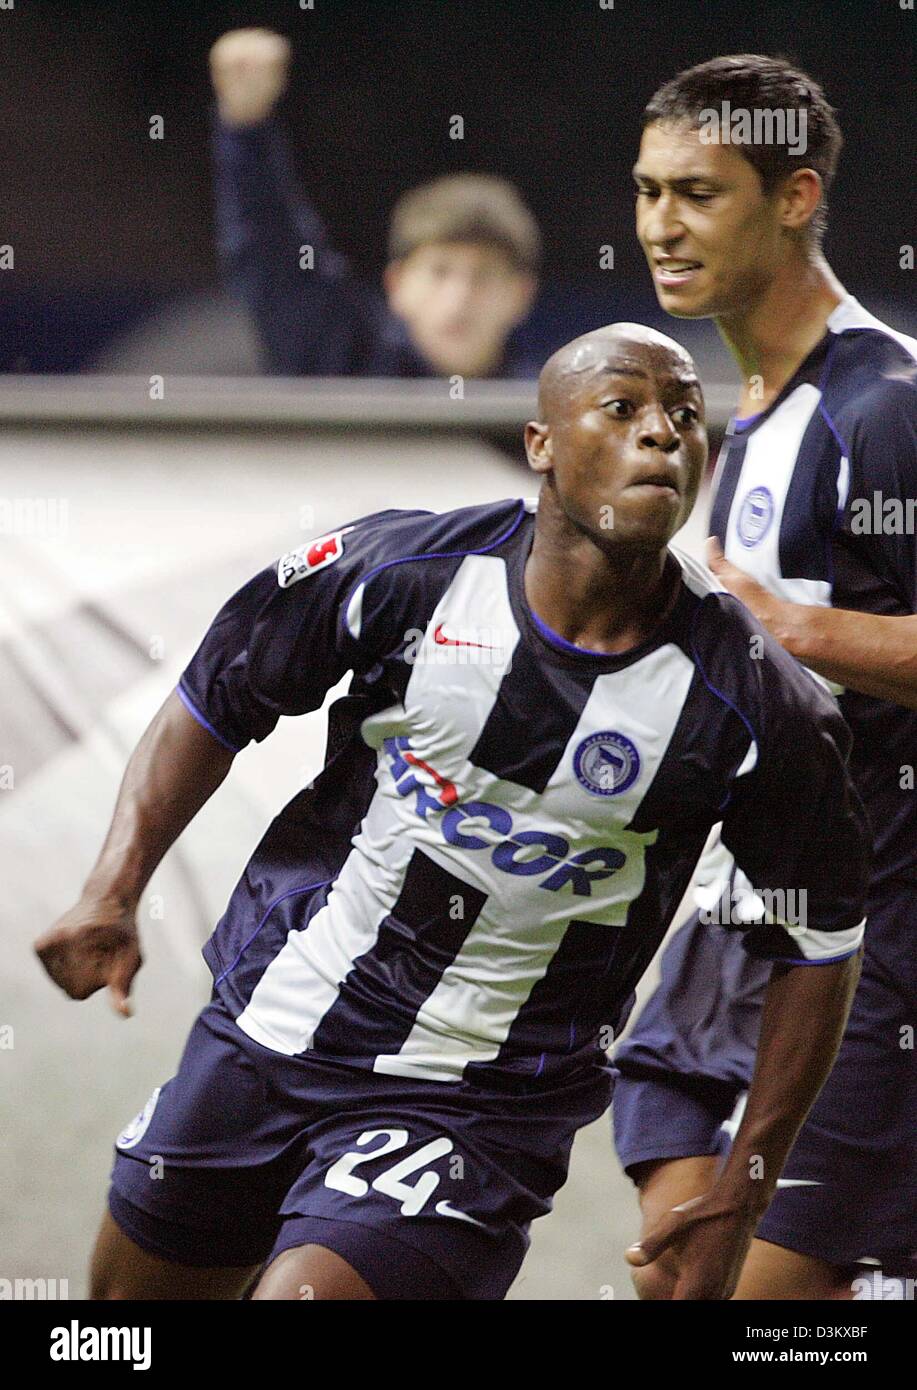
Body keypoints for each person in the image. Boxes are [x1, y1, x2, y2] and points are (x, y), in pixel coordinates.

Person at [35, 323, 870, 1302]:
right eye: (622, 408)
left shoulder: (757, 702)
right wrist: (113, 885)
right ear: (540, 444)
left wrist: (743, 1190)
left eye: (684, 416)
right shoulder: (398, 574)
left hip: (478, 1106)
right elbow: (218, 693)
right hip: (268, 1027)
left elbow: (815, 943)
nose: (661, 435)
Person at [613, 53, 917, 1300]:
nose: (658, 227)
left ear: (794, 197)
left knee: (744, 1297)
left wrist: (781, 627)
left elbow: (782, 630)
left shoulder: (883, 405)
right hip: (742, 921)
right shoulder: (739, 405)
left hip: (879, 927)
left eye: (697, 192)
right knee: (675, 1263)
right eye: (644, 192)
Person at [209, 27, 540, 379]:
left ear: (520, 295)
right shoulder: (343, 362)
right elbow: (272, 253)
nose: (459, 299)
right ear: (397, 285)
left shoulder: (552, 418)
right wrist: (246, 127)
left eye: (483, 276)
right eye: (439, 271)